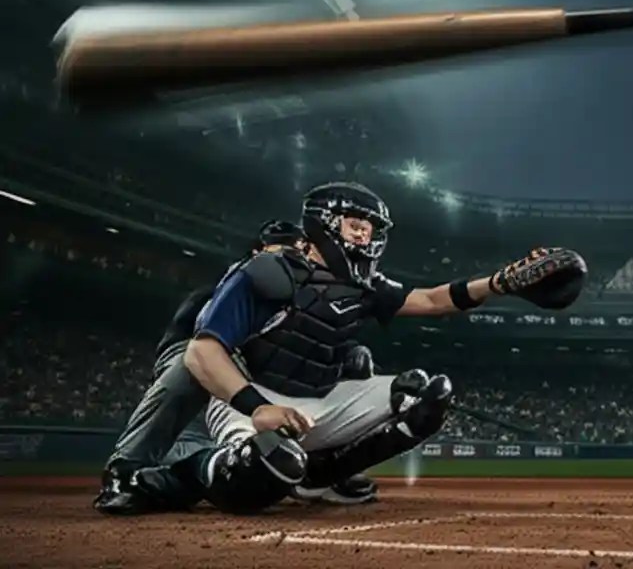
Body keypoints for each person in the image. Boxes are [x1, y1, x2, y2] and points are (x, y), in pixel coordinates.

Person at [173, 181, 585, 514]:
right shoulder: (265, 271)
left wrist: (499, 283)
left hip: (319, 403)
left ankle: (322, 477)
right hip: (251, 401)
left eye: (371, 228)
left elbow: (431, 300)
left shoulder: (364, 284)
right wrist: (257, 407)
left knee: (424, 394)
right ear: (325, 223)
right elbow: (201, 352)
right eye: (356, 224)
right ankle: (176, 475)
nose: (366, 236)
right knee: (250, 483)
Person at [93, 221, 381, 514]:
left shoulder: (305, 308)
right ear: (257, 255)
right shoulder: (219, 295)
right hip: (199, 412)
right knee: (196, 369)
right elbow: (190, 358)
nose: (296, 258)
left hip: (248, 409)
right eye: (285, 250)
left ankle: (321, 468)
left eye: (302, 251)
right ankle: (127, 469)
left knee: (353, 357)